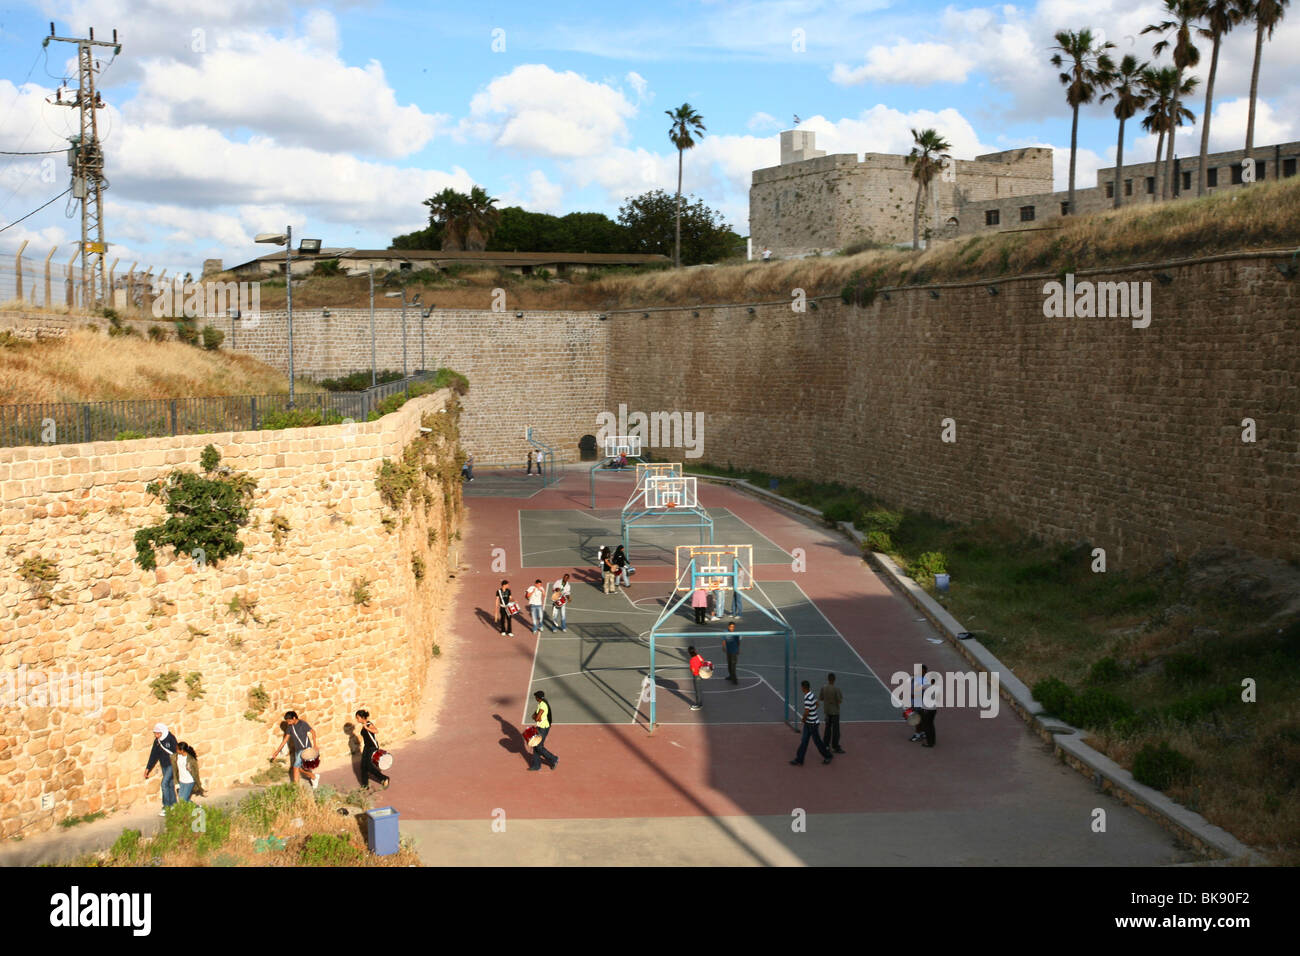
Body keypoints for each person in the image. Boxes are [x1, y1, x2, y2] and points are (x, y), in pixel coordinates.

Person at [270, 711, 320, 788]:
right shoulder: (290, 727)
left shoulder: (303, 724)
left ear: (294, 718)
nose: (288, 723)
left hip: (305, 748)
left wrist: (315, 745)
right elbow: (285, 740)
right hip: (298, 749)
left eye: (289, 721)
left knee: (296, 767)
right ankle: (313, 777)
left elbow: (313, 732)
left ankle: (296, 786)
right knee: (298, 768)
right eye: (287, 721)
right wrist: (277, 752)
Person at [791, 681, 833, 765]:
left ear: (803, 688)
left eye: (801, 687)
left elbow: (806, 711)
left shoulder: (807, 698)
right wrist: (813, 711)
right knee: (804, 741)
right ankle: (799, 759)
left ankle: (827, 756)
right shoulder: (812, 695)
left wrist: (803, 719)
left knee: (816, 742)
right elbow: (817, 704)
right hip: (812, 722)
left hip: (811, 724)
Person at [144, 723, 178, 816]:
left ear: (162, 732)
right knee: (170, 785)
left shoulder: (170, 738)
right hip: (164, 766)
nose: (156, 735)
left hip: (171, 765)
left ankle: (166, 807)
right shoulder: (157, 742)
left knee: (164, 784)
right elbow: (153, 755)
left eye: (158, 733)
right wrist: (148, 768)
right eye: (155, 733)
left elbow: (176, 751)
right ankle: (174, 805)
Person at [355, 710, 390, 790]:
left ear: (362, 717)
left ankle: (384, 778)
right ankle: (365, 786)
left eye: (358, 718)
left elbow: (376, 731)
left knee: (369, 766)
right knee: (363, 766)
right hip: (366, 747)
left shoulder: (369, 724)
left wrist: (367, 728)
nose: (357, 720)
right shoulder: (364, 725)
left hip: (372, 747)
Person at [528, 691, 559, 771]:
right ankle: (536, 765)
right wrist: (535, 716)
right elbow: (535, 715)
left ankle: (553, 759)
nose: (535, 698)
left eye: (535, 697)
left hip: (543, 728)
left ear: (538, 698)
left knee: (539, 746)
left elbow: (537, 718)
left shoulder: (543, 705)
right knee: (535, 746)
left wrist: (535, 717)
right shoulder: (541, 703)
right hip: (540, 727)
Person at [819, 673, 845, 754]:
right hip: (835, 712)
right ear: (834, 679)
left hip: (827, 711)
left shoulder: (824, 688)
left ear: (828, 679)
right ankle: (835, 746)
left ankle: (826, 744)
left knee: (827, 729)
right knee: (836, 730)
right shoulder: (836, 689)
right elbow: (839, 701)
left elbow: (821, 698)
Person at [915, 665, 938, 748]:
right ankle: (933, 741)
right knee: (931, 725)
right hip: (934, 709)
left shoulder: (927, 686)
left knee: (927, 726)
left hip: (927, 709)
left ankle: (929, 743)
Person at [687, 645, 706, 711]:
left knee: (697, 691)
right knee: (699, 690)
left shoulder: (692, 660)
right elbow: (703, 662)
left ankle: (699, 704)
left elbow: (693, 670)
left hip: (696, 676)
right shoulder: (699, 656)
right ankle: (699, 703)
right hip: (701, 674)